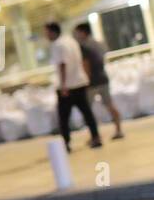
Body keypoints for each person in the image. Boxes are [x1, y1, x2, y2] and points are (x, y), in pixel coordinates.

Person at [46, 21, 101, 151]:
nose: (45, 35)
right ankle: (96, 137)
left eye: (46, 32)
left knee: (63, 117)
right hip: (80, 82)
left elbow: (62, 64)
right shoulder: (72, 41)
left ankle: (65, 144)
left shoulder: (58, 45)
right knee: (87, 112)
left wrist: (63, 85)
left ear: (53, 32)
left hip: (68, 86)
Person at [74, 22, 124, 141]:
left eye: (77, 32)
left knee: (88, 111)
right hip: (103, 78)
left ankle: (95, 136)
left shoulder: (83, 46)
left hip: (91, 82)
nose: (76, 35)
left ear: (83, 32)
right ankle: (119, 130)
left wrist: (85, 80)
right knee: (109, 105)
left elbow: (86, 65)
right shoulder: (99, 44)